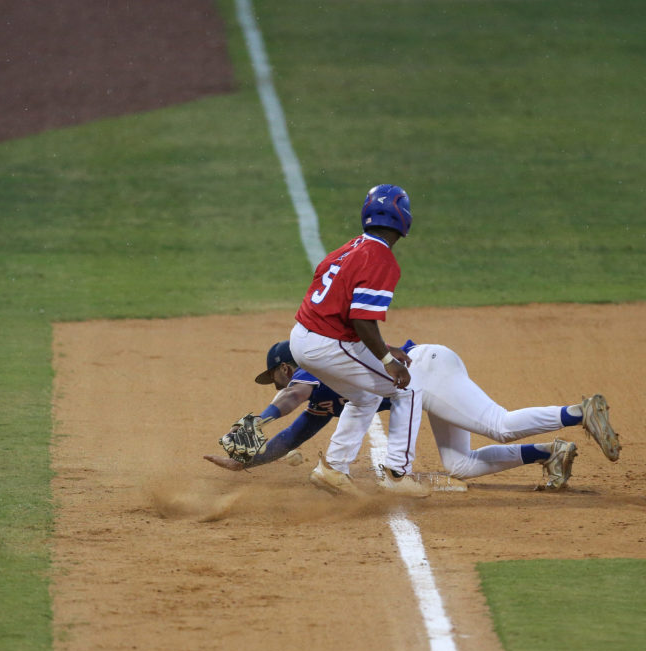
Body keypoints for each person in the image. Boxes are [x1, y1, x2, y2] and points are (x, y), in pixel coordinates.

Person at [204, 339, 621, 491]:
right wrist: (245, 462)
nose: (276, 385)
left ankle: (578, 412)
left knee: (498, 425)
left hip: (426, 369)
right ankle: (550, 452)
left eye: (273, 378)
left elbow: (292, 394)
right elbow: (290, 439)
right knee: (459, 464)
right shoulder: (324, 400)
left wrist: (259, 420)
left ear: (283, 367)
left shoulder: (314, 365)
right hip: (421, 380)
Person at [287, 184, 429, 496]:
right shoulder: (380, 259)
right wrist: (388, 361)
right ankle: (397, 474)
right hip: (328, 344)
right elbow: (361, 319)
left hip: (302, 338)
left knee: (365, 396)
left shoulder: (348, 248)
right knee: (409, 387)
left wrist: (383, 346)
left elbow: (341, 309)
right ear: (404, 219)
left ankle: (333, 469)